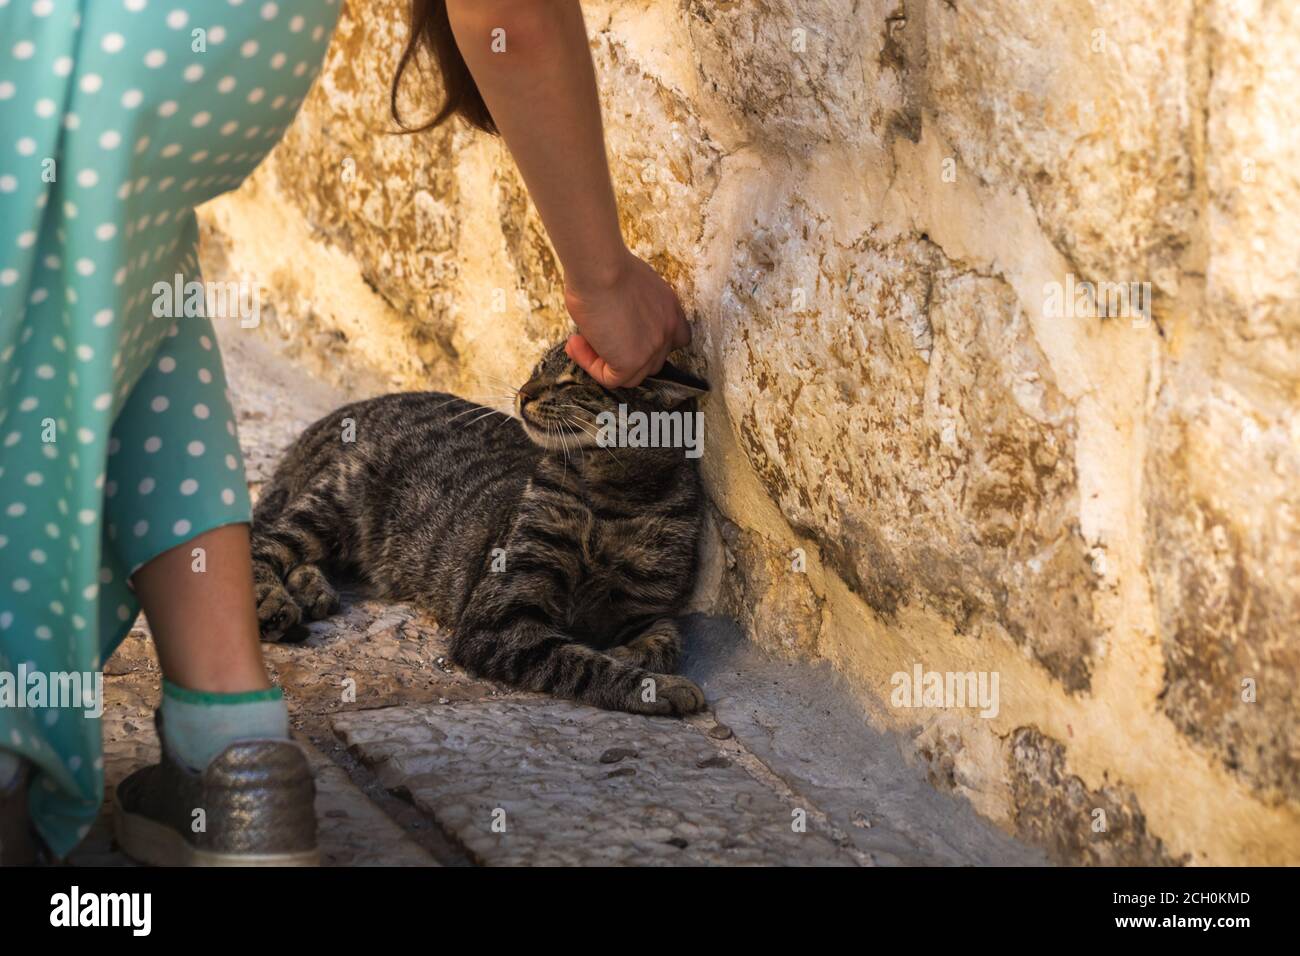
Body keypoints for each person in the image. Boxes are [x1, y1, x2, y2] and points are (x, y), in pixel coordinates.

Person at [0, 0, 691, 865]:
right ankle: (229, 750)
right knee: (144, 294)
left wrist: (600, 282)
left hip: (81, 35)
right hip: (234, 46)